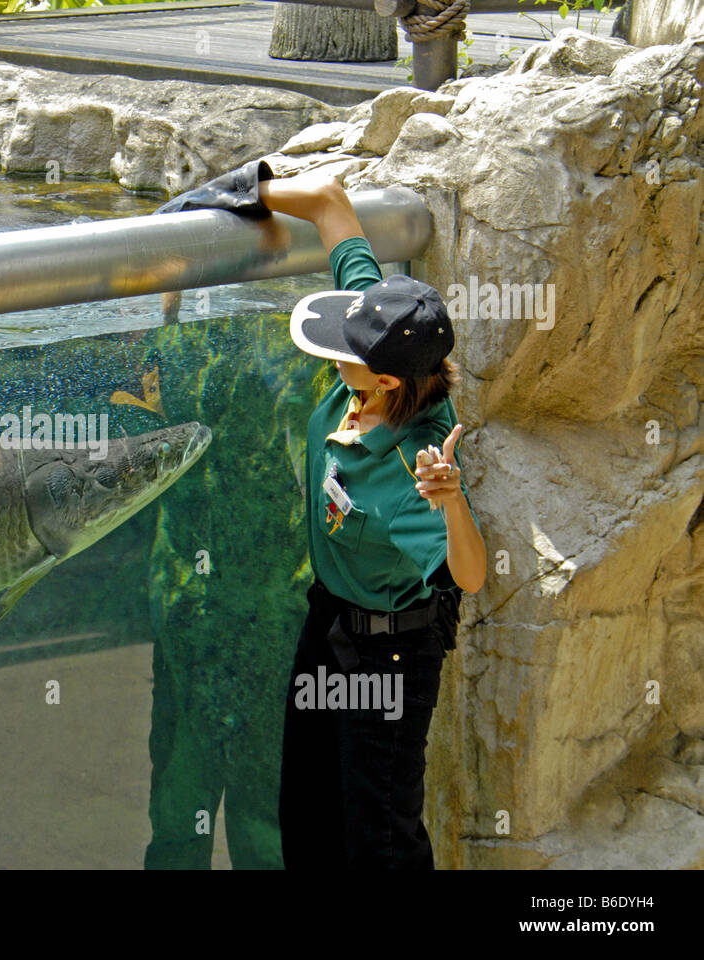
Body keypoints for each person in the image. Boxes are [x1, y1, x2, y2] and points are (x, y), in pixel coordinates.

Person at [156, 162, 486, 868]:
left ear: (390, 382)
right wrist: (214, 198)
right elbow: (331, 204)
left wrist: (452, 501)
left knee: (380, 837)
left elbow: (472, 573)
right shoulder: (385, 323)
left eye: (343, 358)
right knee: (304, 813)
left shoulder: (411, 470)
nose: (333, 357)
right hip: (329, 621)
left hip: (391, 653)